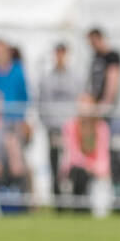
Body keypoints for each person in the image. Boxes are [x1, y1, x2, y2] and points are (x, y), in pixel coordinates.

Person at [37, 41, 80, 200]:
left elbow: (80, 101)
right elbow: (41, 103)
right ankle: (57, 200)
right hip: (54, 127)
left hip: (72, 130)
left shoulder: (76, 78)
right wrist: (47, 123)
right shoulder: (47, 79)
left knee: (74, 163)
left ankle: (76, 198)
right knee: (55, 163)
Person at [85, 27, 120, 122]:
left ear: (100, 38)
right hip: (94, 104)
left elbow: (113, 80)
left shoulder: (112, 57)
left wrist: (106, 103)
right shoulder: (95, 57)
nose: (92, 45)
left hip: (104, 105)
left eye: (93, 42)